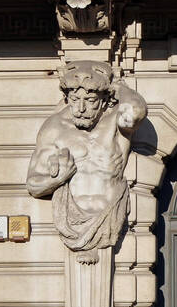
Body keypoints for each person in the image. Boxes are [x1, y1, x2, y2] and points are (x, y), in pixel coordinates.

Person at [27, 61, 146, 263]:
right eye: (74, 99)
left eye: (90, 100)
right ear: (67, 97)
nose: (81, 108)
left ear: (104, 98)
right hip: (71, 221)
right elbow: (33, 184)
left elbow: (134, 114)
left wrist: (119, 88)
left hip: (110, 215)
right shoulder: (54, 127)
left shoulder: (115, 123)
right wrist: (58, 179)